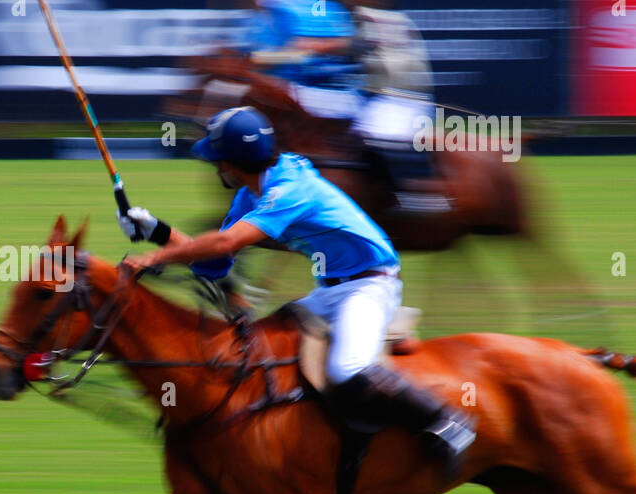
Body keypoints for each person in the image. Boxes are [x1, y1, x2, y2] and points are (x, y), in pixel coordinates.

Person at [118, 105, 476, 471]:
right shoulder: (253, 193)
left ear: (233, 162)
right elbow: (213, 262)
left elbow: (225, 244)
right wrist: (155, 230)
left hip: (370, 286)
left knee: (348, 370)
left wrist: (154, 260)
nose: (217, 167)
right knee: (257, 350)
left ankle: (447, 422)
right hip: (328, 292)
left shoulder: (290, 189)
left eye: (219, 160)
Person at [323, 0, 448, 213]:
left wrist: (311, 47)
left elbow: (351, 47)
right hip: (379, 98)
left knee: (379, 131)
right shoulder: (367, 21)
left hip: (406, 100)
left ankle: (421, 194)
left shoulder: (380, 20)